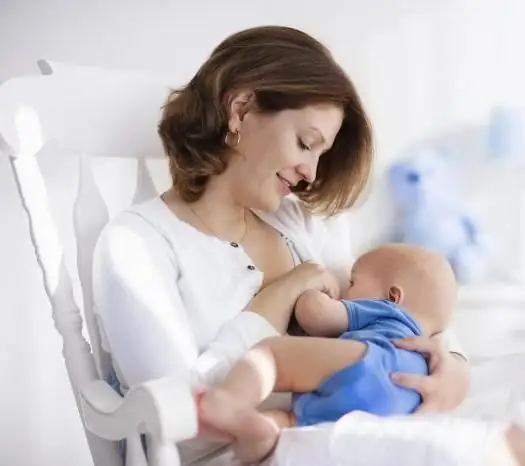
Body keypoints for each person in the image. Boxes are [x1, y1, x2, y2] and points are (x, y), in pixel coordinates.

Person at [92, 25, 470, 464]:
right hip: (244, 454)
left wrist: (454, 368)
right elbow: (178, 424)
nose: (310, 171)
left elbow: (397, 310)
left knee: (504, 445)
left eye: (320, 155)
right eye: (305, 143)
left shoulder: (299, 221)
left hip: (351, 439)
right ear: (240, 109)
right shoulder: (137, 244)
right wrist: (280, 296)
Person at [195, 243, 458, 463]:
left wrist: (315, 294)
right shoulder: (427, 356)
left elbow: (314, 314)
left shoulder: (386, 311)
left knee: (272, 355)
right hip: (402, 408)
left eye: (353, 282)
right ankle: (264, 433)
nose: (346, 290)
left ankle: (228, 402)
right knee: (297, 423)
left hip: (373, 361)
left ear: (392, 296)